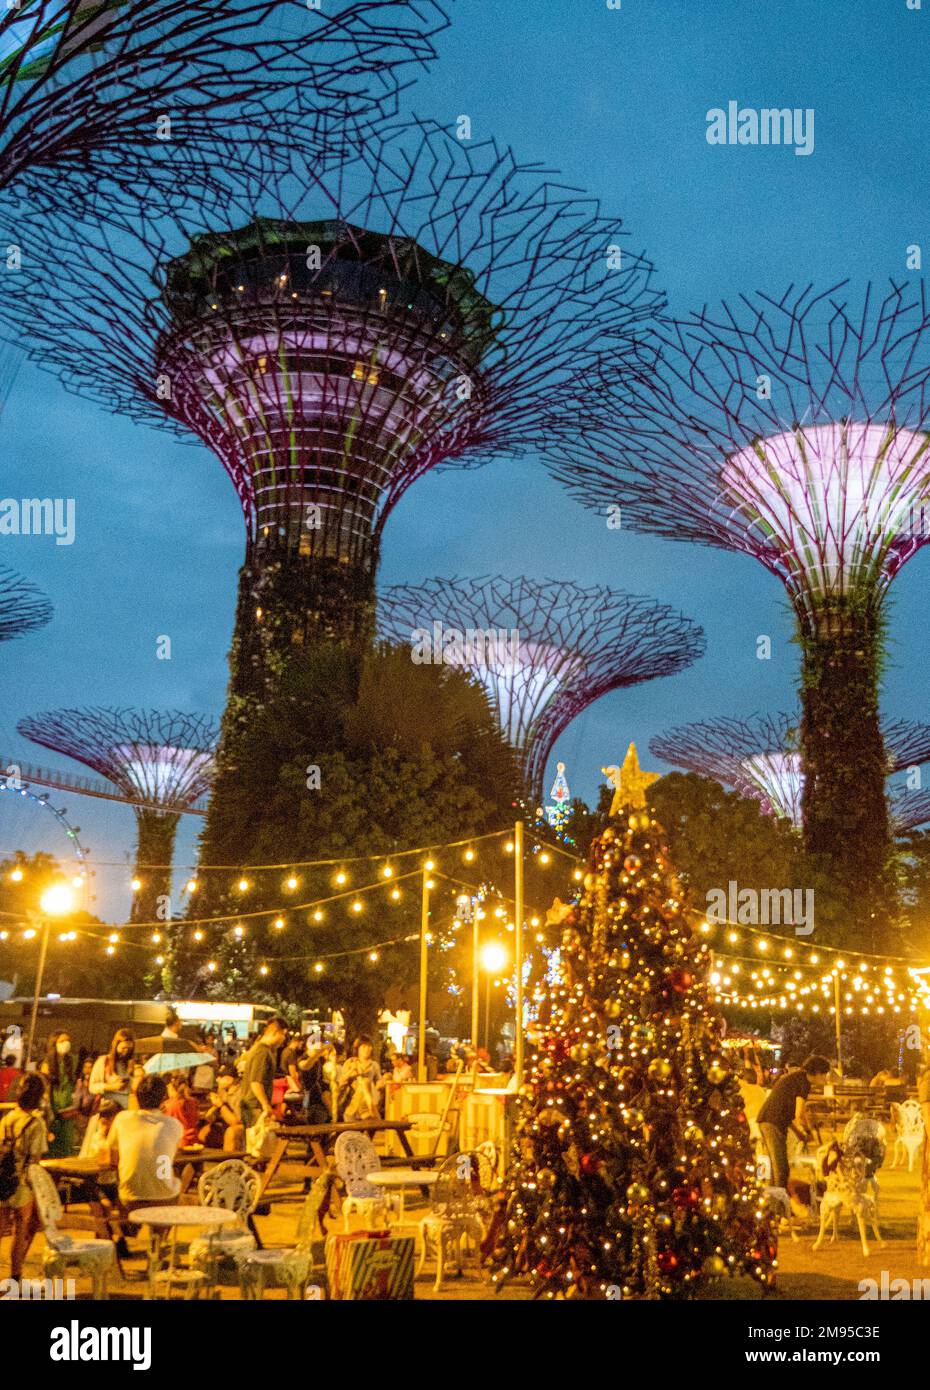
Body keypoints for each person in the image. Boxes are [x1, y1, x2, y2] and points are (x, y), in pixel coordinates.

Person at [103, 1073, 182, 1214]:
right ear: (164, 1098)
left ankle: (130, 1230)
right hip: (164, 1198)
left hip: (130, 1197)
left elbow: (112, 1160)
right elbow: (166, 1157)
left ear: (136, 1097)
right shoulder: (174, 1125)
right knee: (174, 1182)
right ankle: (159, 1235)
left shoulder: (122, 1119)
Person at [757, 1053, 830, 1190]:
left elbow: (789, 1114)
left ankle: (775, 1205)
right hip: (772, 1122)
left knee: (776, 1168)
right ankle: (780, 1206)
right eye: (825, 1074)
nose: (826, 1079)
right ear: (818, 1073)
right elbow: (799, 1114)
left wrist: (799, 1134)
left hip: (770, 1121)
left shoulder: (798, 1078)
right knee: (781, 1169)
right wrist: (808, 1131)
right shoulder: (803, 1083)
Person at [0, 1073, 48, 1279]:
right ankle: (15, 1275)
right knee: (20, 1229)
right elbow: (35, 1161)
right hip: (21, 1184)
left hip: (2, 1180)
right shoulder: (36, 1124)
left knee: (1, 1227)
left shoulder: (7, 1118)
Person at [238, 1016, 287, 1134]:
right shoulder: (262, 1052)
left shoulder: (261, 1049)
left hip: (252, 1105)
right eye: (283, 1034)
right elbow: (255, 1082)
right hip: (254, 1106)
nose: (284, 1039)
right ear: (275, 1032)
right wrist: (265, 1104)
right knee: (257, 1145)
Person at [40, 1031, 78, 1158]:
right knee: (52, 1139)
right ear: (54, 1043)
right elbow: (45, 1086)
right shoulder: (47, 1063)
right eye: (62, 1041)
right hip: (53, 1106)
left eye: (68, 1041)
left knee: (66, 1140)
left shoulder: (71, 1060)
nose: (66, 1044)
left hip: (68, 1107)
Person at [89, 1029, 136, 1110]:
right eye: (123, 1048)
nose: (126, 1051)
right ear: (116, 1045)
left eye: (129, 1049)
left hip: (127, 1108)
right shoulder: (103, 1061)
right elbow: (92, 1087)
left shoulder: (132, 1064)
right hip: (109, 1108)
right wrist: (112, 1087)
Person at [199, 1069, 244, 1151]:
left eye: (220, 1077)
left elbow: (235, 1122)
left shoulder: (241, 1094)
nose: (217, 1080)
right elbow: (211, 1117)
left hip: (239, 1126)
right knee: (203, 1133)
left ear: (230, 1079)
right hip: (223, 1123)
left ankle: (226, 1161)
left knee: (231, 1132)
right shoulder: (222, 1091)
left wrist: (220, 1105)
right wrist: (212, 1110)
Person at [339, 1036, 381, 1120]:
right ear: (358, 1048)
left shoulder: (374, 1065)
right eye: (364, 1047)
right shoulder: (350, 1062)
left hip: (368, 1107)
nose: (367, 1049)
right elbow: (341, 1081)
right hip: (351, 1106)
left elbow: (378, 1082)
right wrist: (351, 1072)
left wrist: (381, 1084)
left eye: (369, 1046)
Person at [163, 1073, 200, 1147]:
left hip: (177, 1142)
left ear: (172, 1089)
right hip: (193, 1139)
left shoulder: (170, 1105)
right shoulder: (193, 1101)